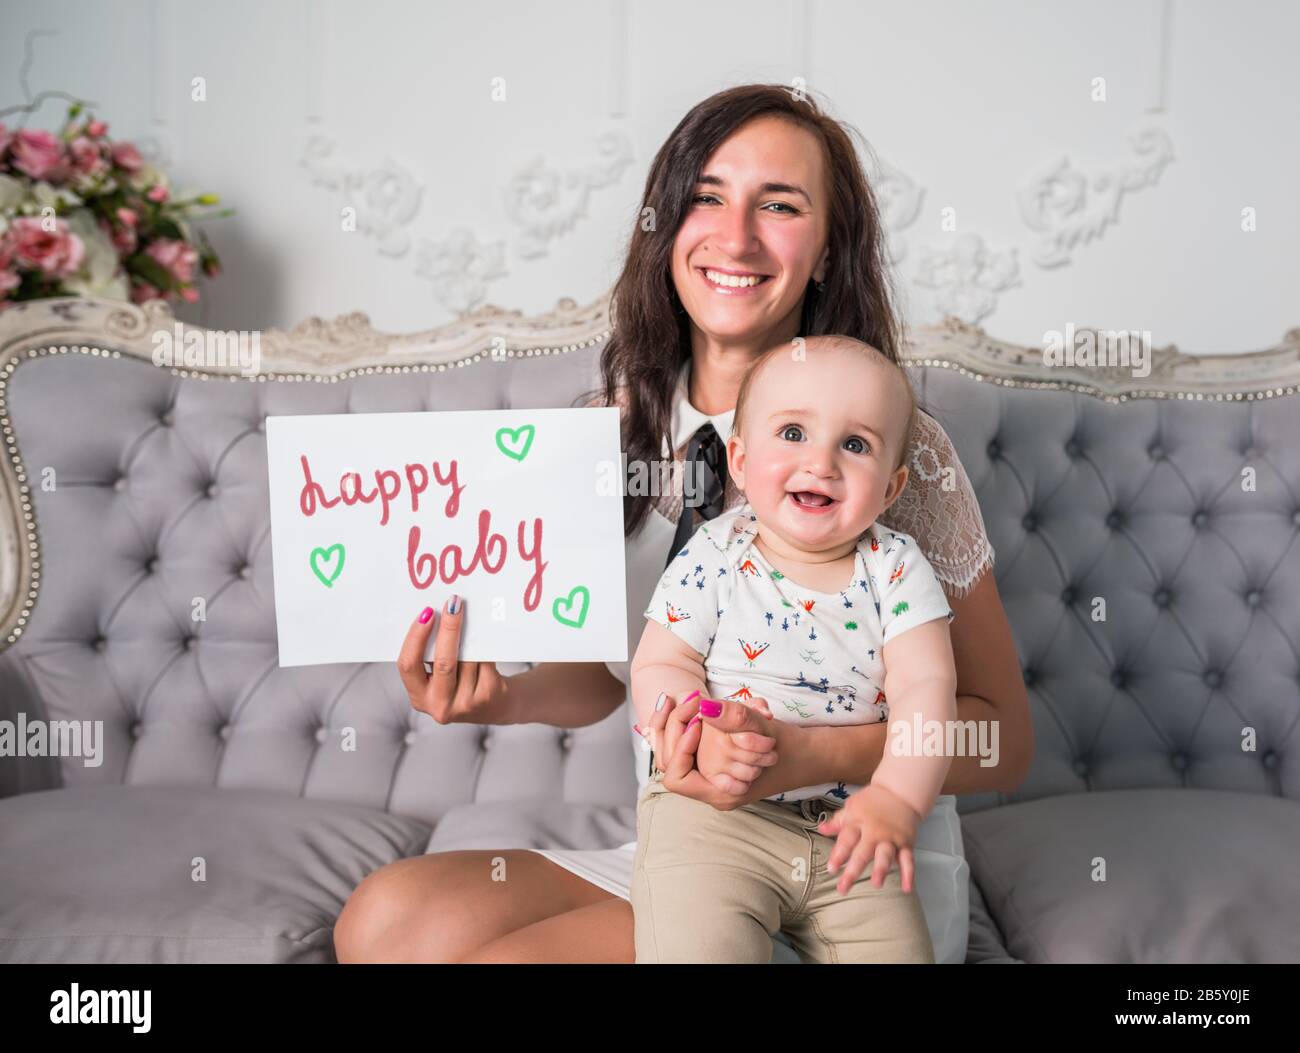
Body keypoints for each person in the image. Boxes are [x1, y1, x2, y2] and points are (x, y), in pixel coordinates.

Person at [333, 83, 1032, 964]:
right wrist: (498, 695)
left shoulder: (889, 451)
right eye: (707, 196)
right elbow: (606, 676)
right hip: (695, 847)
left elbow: (1004, 736)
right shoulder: (616, 422)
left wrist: (808, 754)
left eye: (779, 205)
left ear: (825, 251)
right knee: (383, 922)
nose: (735, 237)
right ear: (665, 224)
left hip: (857, 867)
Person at [629, 335, 957, 962]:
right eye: (792, 434)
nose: (822, 463)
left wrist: (896, 797)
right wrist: (693, 734)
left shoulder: (896, 569)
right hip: (713, 818)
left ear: (891, 488)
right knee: (696, 947)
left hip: (853, 827)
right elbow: (663, 661)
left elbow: (926, 688)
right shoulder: (716, 554)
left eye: (855, 444)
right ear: (741, 461)